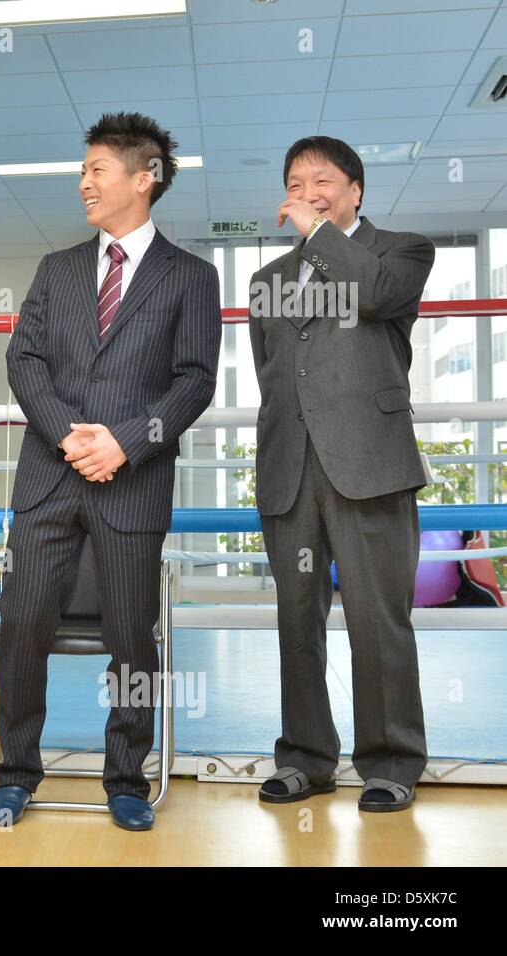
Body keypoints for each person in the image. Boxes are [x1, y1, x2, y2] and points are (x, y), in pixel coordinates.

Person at [0, 112, 221, 830]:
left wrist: (123, 443)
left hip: (134, 481)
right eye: (82, 169)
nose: (83, 181)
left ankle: (126, 779)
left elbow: (193, 381)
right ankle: (15, 773)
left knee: (130, 636)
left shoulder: (193, 277)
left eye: (97, 169)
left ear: (143, 178)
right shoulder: (55, 270)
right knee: (23, 624)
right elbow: (22, 361)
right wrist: (69, 438)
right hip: (48, 479)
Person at [249, 136, 434, 813]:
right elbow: (275, 371)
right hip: (290, 470)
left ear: (356, 190)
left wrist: (320, 233)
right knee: (296, 621)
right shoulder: (266, 280)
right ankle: (305, 758)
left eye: (321, 178)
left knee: (376, 621)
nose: (306, 188)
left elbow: (377, 297)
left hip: (370, 465)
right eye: (295, 179)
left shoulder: (401, 252)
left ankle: (391, 762)